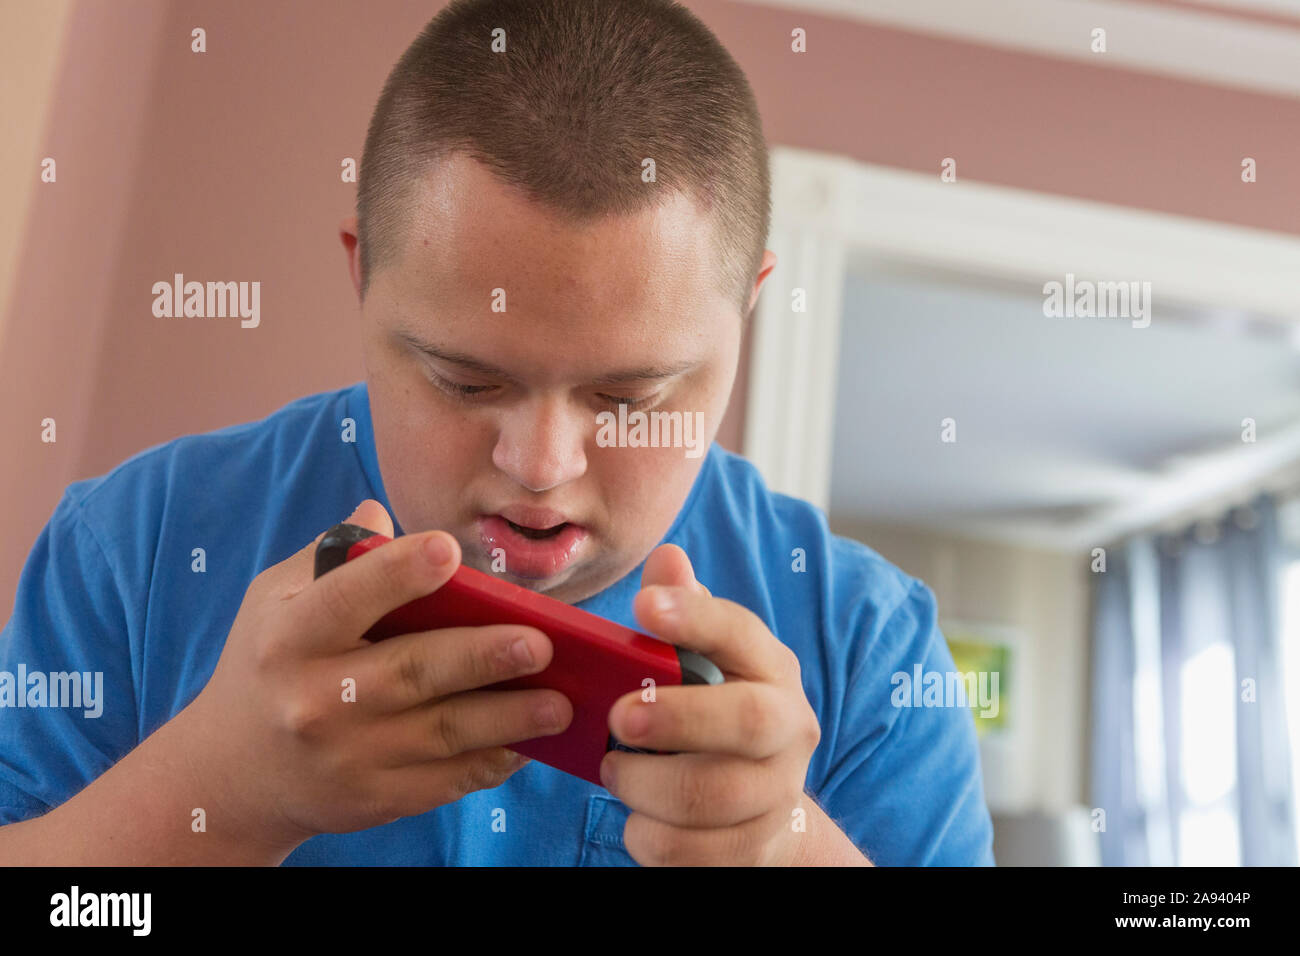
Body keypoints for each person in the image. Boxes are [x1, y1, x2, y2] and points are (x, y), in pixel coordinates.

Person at [0, 0, 994, 865]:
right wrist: (215, 797)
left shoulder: (870, 649)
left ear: (745, 313)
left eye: (628, 397)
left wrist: (784, 848)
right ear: (362, 274)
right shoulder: (130, 548)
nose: (540, 465)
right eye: (466, 379)